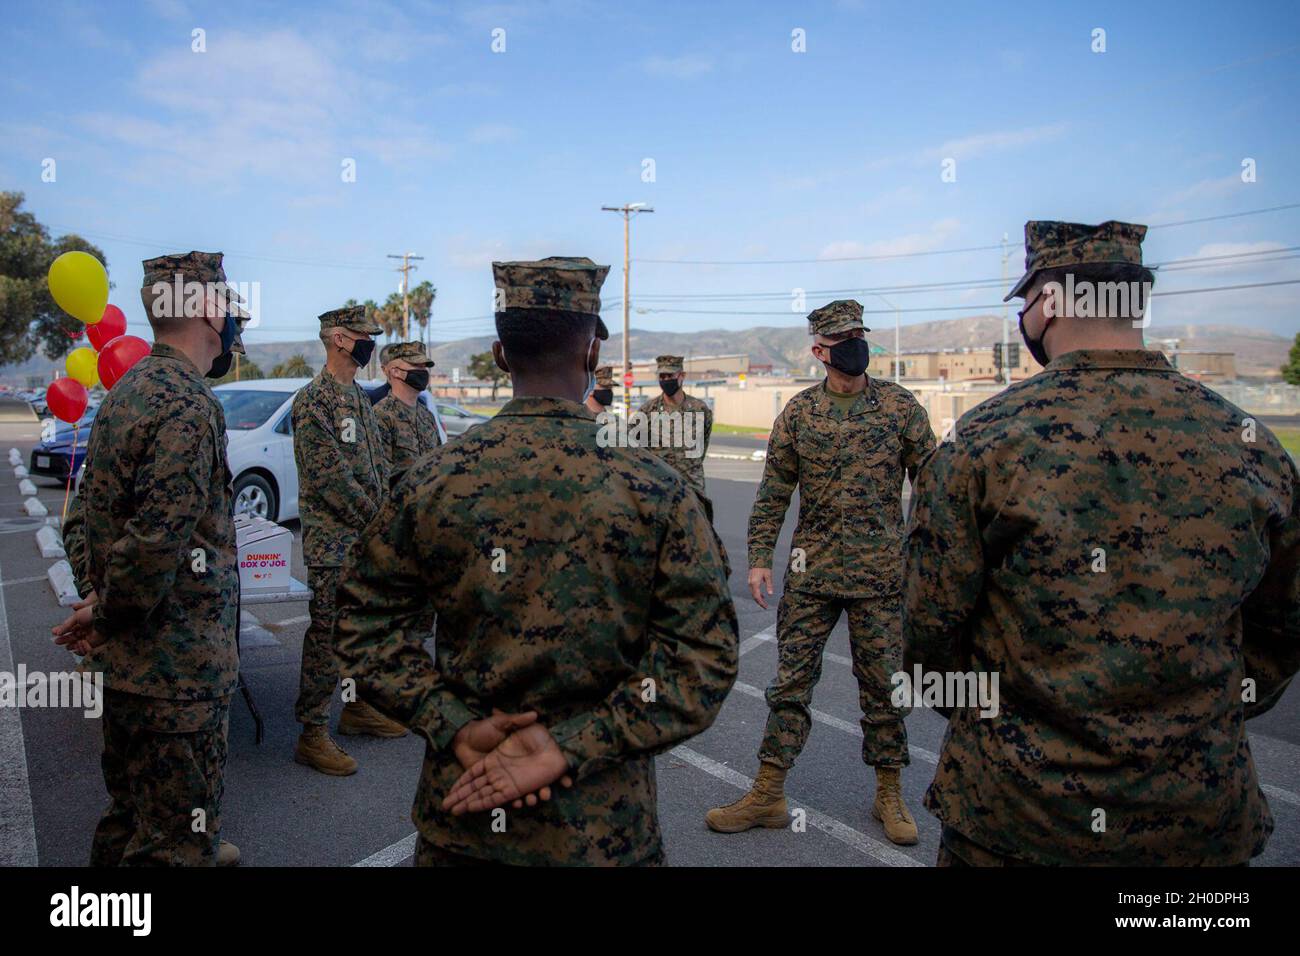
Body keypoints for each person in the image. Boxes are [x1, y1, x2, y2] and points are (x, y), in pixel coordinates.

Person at [904, 219, 1300, 866]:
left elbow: (928, 634)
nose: (1025, 318)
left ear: (1051, 302)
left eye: (1026, 301)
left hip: (1016, 821)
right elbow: (1283, 629)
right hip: (1196, 825)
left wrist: (1007, 725)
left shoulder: (981, 443)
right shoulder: (1252, 445)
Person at [333, 256, 739, 866]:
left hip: (465, 827)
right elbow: (703, 659)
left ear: (501, 355)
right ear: (592, 353)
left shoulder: (432, 481)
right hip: (604, 836)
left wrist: (453, 723)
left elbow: (361, 626)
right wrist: (572, 744)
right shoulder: (654, 487)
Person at [706, 299, 935, 846]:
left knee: (884, 691)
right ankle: (767, 793)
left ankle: (888, 794)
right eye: (843, 339)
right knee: (790, 687)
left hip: (880, 578)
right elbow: (774, 491)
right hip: (812, 576)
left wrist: (927, 553)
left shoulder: (900, 408)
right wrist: (760, 557)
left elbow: (933, 482)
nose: (856, 345)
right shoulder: (799, 413)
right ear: (819, 351)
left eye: (860, 335)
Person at [52, 251, 246, 866]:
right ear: (208, 311)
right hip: (178, 679)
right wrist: (103, 612)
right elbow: (160, 538)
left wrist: (96, 605)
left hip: (130, 671)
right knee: (173, 848)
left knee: (127, 818)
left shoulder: (127, 389)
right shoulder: (188, 402)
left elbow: (80, 515)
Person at [291, 304, 404, 776]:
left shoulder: (359, 398)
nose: (369, 342)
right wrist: (380, 523)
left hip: (364, 540)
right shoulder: (312, 401)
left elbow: (376, 469)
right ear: (339, 339)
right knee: (327, 638)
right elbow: (330, 481)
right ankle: (312, 733)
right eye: (363, 335)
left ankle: (356, 709)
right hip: (334, 543)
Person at [636, 355, 713, 508]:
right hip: (659, 489)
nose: (665, 380)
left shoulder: (699, 409)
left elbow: (702, 445)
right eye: (662, 376)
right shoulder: (647, 411)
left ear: (681, 376)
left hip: (693, 489)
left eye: (670, 376)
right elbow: (638, 450)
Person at [374, 341, 441, 488]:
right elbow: (380, 479)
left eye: (424, 366)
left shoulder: (426, 415)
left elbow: (438, 462)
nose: (423, 371)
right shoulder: (381, 415)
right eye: (416, 366)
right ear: (394, 371)